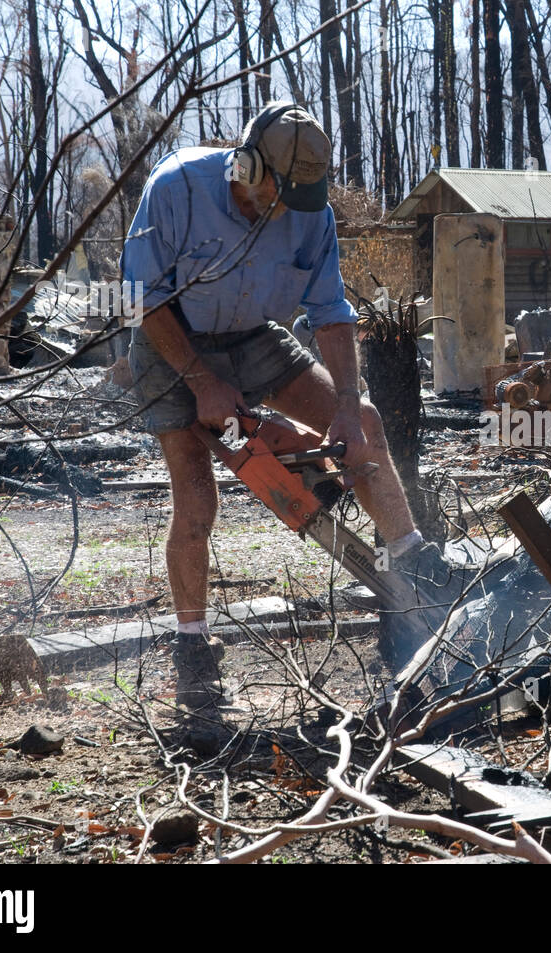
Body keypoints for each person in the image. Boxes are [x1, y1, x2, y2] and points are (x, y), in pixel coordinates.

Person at [120, 102, 437, 711]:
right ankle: (193, 652)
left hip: (253, 334)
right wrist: (203, 383)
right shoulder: (176, 187)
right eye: (276, 191)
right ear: (245, 162)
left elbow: (331, 312)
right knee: (195, 496)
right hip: (170, 338)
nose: (286, 208)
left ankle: (416, 575)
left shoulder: (308, 211)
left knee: (364, 426)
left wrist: (346, 402)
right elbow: (142, 298)